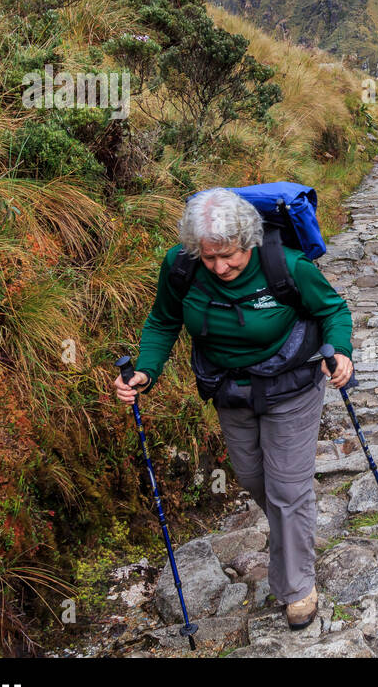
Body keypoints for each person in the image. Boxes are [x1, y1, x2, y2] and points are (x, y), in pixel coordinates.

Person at [112, 188, 353, 630]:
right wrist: (146, 372)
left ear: (249, 241)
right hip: (230, 389)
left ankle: (297, 587)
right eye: (209, 259)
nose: (219, 267)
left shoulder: (286, 266)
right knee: (253, 478)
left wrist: (341, 352)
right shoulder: (181, 266)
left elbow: (333, 309)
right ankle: (293, 537)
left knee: (287, 489)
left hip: (292, 385)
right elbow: (163, 320)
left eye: (228, 257)